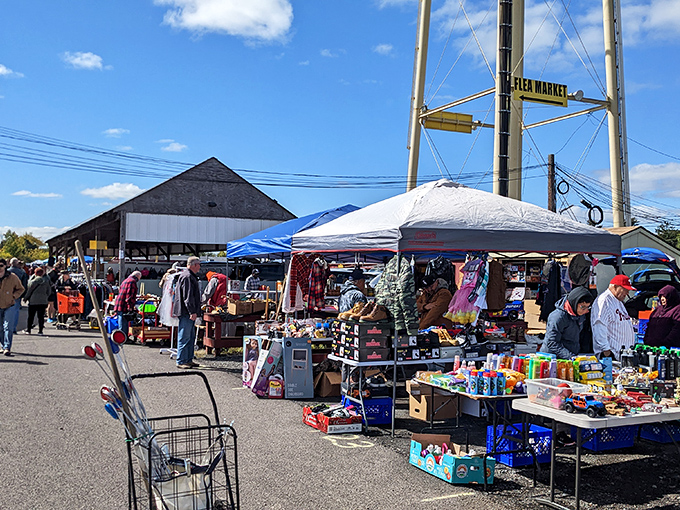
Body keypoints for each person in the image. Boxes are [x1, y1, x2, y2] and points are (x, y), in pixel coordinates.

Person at [591, 274, 636, 360]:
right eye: (625, 289)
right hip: (610, 356)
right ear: (615, 287)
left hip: (622, 355)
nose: (627, 293)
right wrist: (606, 351)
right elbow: (599, 326)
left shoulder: (618, 301)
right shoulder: (604, 300)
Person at [541, 287, 594, 359]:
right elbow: (552, 342)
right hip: (552, 357)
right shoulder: (558, 317)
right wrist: (570, 356)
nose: (586, 310)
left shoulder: (579, 314)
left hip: (570, 356)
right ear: (575, 303)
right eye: (583, 307)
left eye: (588, 307)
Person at [172, 257, 201, 369]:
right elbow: (187, 297)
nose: (199, 266)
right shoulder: (188, 277)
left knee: (190, 336)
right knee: (184, 336)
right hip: (186, 312)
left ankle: (188, 359)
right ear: (193, 265)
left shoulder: (187, 275)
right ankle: (181, 360)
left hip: (186, 311)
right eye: (199, 264)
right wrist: (192, 311)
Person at [0, 258, 25, 355]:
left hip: (9, 304)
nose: (0, 268)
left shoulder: (12, 277)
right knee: (0, 328)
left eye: (1, 266)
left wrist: (13, 296)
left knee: (8, 326)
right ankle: (3, 345)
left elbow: (21, 289)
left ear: (5, 266)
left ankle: (7, 347)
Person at [24, 267, 52, 335]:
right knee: (41, 316)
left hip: (33, 301)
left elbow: (29, 291)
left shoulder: (33, 281)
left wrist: (26, 298)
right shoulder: (46, 281)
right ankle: (40, 331)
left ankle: (28, 330)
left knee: (31, 316)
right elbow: (49, 291)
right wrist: (45, 296)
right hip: (43, 301)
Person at [113, 270, 141, 336]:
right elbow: (129, 295)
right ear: (137, 276)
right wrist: (130, 306)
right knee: (123, 323)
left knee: (121, 321)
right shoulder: (132, 282)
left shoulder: (125, 280)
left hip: (119, 303)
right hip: (124, 305)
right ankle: (123, 338)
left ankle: (122, 337)